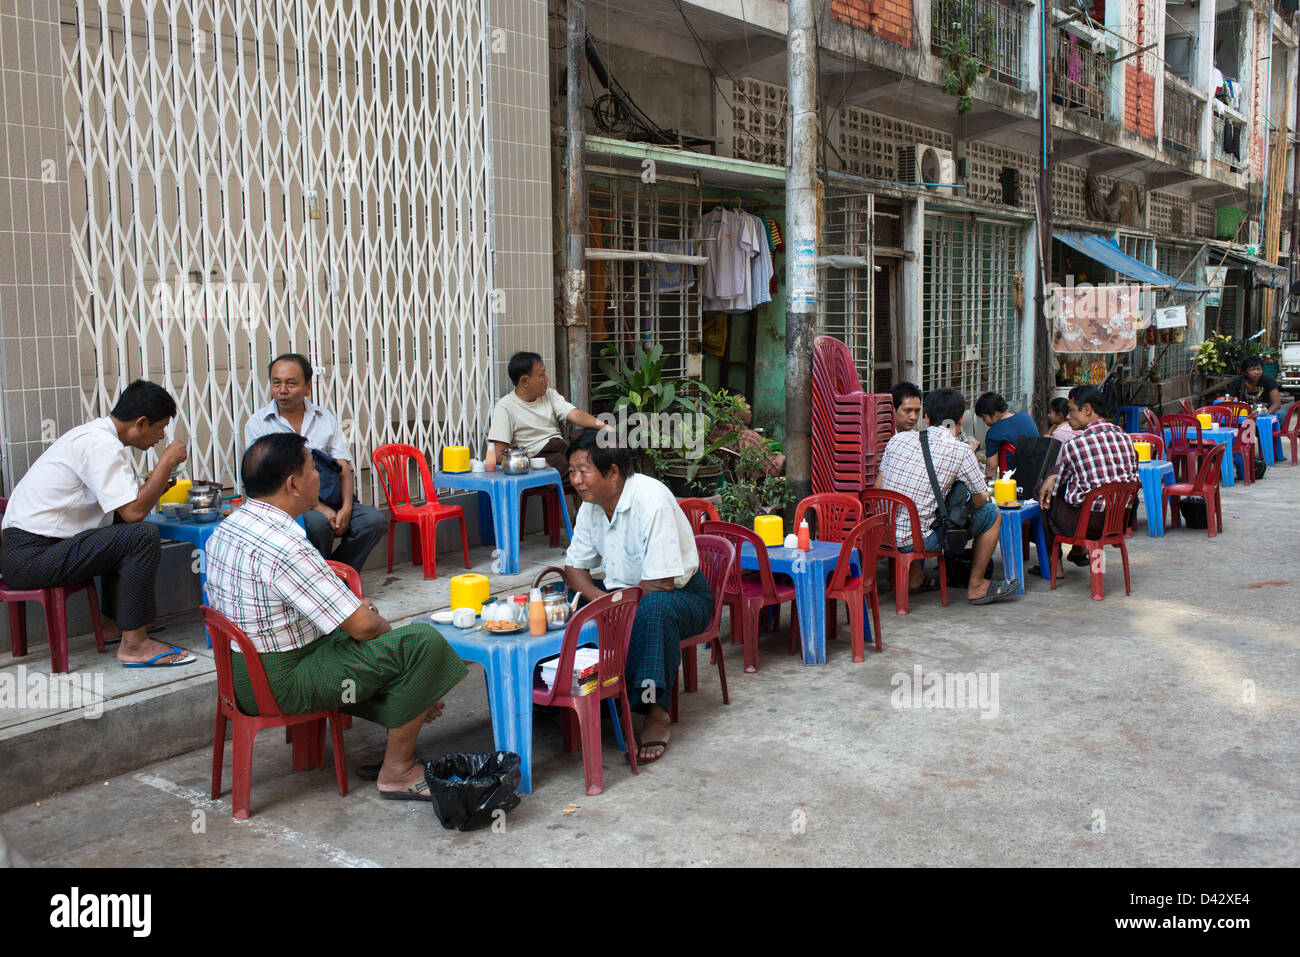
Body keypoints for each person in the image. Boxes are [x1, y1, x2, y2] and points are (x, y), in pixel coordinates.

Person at [204, 433, 468, 800]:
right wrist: (379, 629)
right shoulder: (286, 543)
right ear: (293, 484)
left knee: (391, 649)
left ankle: (412, 706)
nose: (320, 478)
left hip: (241, 677)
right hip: (280, 682)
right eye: (314, 469)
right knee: (423, 643)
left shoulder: (227, 528)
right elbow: (361, 626)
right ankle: (398, 771)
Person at [1, 381, 195, 666]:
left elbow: (122, 511)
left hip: (33, 552)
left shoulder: (94, 436)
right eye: (160, 427)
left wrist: (156, 484)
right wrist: (165, 463)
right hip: (31, 558)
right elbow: (134, 513)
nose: (161, 436)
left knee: (121, 530)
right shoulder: (101, 444)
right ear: (141, 423)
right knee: (140, 535)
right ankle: (135, 645)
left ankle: (114, 625)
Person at [560, 430, 713, 764]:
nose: (576, 480)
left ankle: (654, 709)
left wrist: (612, 608)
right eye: (572, 472)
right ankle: (584, 694)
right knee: (561, 603)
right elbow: (574, 569)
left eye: (583, 471)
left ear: (612, 472)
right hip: (621, 595)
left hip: (682, 596)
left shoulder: (651, 499)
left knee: (652, 611)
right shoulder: (592, 505)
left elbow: (660, 583)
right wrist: (601, 601)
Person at [876, 388, 1019, 605]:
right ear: (961, 418)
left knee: (922, 508)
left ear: (926, 417)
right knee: (992, 513)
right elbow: (981, 499)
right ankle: (977, 586)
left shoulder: (898, 440)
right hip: (917, 539)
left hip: (882, 532)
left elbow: (879, 486)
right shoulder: (960, 451)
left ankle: (915, 578)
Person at [244, 354, 386, 572]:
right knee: (318, 525)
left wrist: (347, 508)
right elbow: (268, 480)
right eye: (276, 383)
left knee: (373, 521)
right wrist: (318, 508)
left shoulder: (324, 417)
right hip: (291, 504)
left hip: (333, 497)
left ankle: (336, 576)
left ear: (308, 386)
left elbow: (343, 466)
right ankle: (316, 578)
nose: (282, 390)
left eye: (291, 383)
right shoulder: (259, 424)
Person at [1036, 385, 1139, 567]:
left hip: (1091, 523)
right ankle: (1078, 551)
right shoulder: (1125, 437)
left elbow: (1058, 487)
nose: (1068, 417)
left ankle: (1054, 565)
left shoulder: (1075, 444)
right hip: (1121, 520)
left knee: (1044, 495)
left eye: (1071, 410)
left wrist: (1051, 479)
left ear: (1087, 410)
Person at [487, 352, 612, 476]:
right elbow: (498, 454)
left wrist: (603, 426)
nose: (547, 379)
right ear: (525, 381)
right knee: (588, 468)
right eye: (542, 375)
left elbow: (574, 414)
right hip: (541, 457)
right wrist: (531, 464)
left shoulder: (549, 394)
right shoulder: (505, 407)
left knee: (599, 437)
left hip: (562, 449)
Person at [975, 392, 1041, 478]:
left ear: (995, 413)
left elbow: (992, 468)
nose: (984, 422)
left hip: (1012, 481)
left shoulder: (994, 432)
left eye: (984, 417)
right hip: (1037, 472)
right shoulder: (1026, 417)